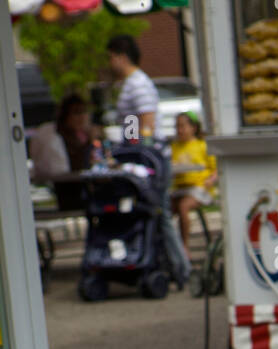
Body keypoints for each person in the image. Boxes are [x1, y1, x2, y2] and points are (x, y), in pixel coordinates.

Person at [106, 34, 190, 287]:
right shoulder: (132, 84)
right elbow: (135, 124)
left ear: (121, 56)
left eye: (111, 58)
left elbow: (146, 123)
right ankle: (170, 265)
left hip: (150, 161)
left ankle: (181, 269)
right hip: (143, 158)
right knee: (155, 214)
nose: (110, 64)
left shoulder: (139, 84)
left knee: (160, 214)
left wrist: (136, 151)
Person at [30, 95, 94, 208]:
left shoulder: (84, 135)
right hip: (68, 188)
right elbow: (58, 171)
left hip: (85, 185)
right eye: (76, 113)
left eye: (84, 112)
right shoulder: (56, 138)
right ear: (66, 116)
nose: (82, 117)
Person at [170, 112, 218, 253]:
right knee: (163, 209)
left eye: (183, 126)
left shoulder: (202, 145)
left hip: (199, 188)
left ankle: (184, 247)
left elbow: (215, 170)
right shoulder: (175, 146)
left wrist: (210, 180)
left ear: (193, 128)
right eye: (177, 126)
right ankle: (168, 244)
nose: (180, 130)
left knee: (183, 206)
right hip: (180, 187)